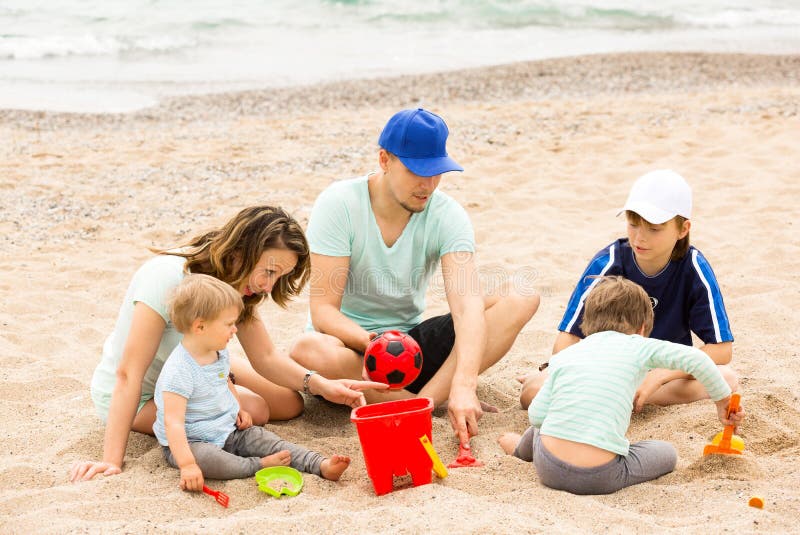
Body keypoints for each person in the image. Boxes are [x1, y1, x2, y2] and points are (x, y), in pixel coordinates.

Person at [70, 205, 384, 482]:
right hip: (142, 392)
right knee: (255, 408)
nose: (268, 286)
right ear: (240, 251)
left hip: (199, 366)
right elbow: (128, 373)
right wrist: (111, 460)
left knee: (290, 403)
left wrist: (321, 385)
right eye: (269, 272)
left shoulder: (239, 285)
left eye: (279, 277)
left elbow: (267, 356)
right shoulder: (167, 279)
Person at [289, 108, 540, 447]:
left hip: (412, 351)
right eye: (416, 171)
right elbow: (323, 312)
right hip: (352, 352)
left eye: (436, 172)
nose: (428, 185)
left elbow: (467, 305)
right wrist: (372, 344)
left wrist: (465, 385)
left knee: (521, 295)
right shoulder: (340, 203)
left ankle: (422, 402)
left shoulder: (447, 213)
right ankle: (420, 405)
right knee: (308, 350)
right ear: (384, 159)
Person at [499, 276, 744, 495]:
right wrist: (722, 400)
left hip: (548, 467)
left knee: (544, 426)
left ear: (587, 325)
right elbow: (697, 358)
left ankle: (520, 450)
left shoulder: (565, 356)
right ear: (641, 329)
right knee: (666, 453)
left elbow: (536, 415)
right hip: (600, 476)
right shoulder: (639, 345)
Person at [519, 169, 736, 410]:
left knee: (727, 378)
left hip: (660, 373)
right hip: (602, 371)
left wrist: (660, 375)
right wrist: (558, 372)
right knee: (532, 393)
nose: (639, 238)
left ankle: (618, 398)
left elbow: (722, 349)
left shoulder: (694, 267)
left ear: (683, 229)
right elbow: (569, 336)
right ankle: (617, 396)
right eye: (633, 224)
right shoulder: (609, 262)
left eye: (654, 229)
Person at [155, 274, 350, 489]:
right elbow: (173, 422)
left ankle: (319, 464)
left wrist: (237, 408)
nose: (235, 329)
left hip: (228, 429)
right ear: (200, 327)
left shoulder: (217, 352)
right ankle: (257, 465)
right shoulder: (179, 370)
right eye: (229, 324)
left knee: (267, 440)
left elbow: (225, 382)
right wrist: (188, 465)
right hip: (191, 442)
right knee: (212, 461)